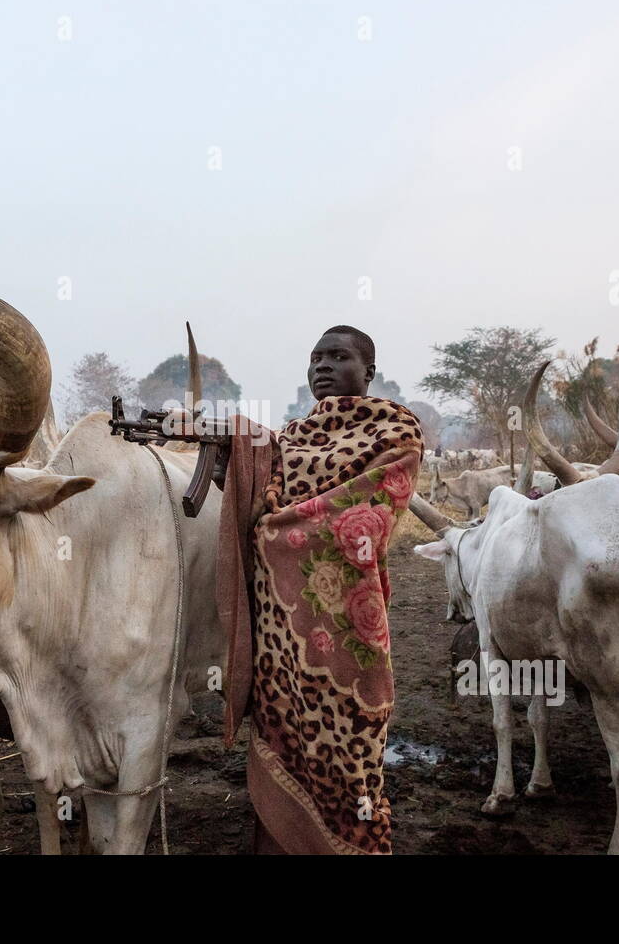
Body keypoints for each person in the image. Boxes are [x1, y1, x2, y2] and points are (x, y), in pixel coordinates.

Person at [212, 325, 423, 854]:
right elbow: (260, 501)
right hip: (280, 627)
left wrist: (273, 532)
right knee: (282, 731)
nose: (323, 366)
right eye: (315, 358)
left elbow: (365, 521)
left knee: (350, 742)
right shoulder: (290, 435)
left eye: (338, 356)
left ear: (368, 371)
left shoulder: (395, 433)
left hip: (347, 623)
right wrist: (230, 464)